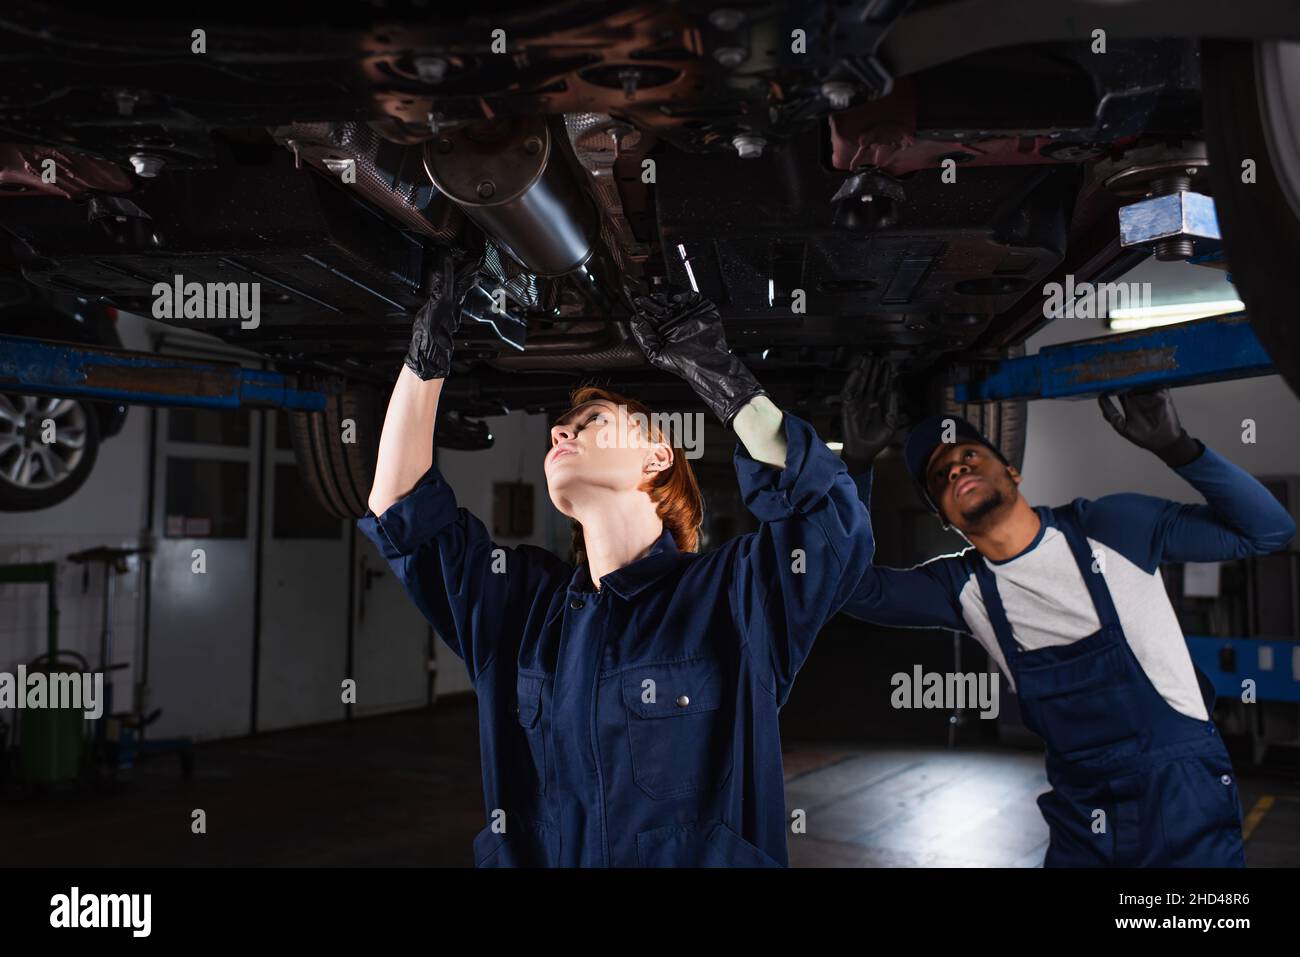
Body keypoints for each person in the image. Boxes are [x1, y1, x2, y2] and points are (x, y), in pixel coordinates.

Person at [359, 262, 871, 867]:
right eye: (560, 428)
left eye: (591, 421)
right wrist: (429, 345)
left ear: (657, 457)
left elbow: (831, 518)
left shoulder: (733, 596)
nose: (559, 432)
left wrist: (722, 376)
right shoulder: (522, 607)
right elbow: (400, 508)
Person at [839, 371, 1296, 867]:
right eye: (939, 476)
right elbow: (850, 588)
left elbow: (1269, 531)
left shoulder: (1112, 526)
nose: (955, 469)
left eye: (969, 455)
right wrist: (855, 466)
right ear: (944, 518)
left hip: (1180, 793)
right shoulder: (960, 589)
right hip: (1081, 808)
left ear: (1012, 471)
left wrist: (1177, 447)